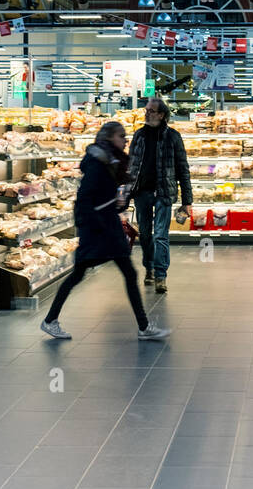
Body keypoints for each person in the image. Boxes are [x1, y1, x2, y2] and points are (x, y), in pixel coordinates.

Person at [40, 120, 169, 341]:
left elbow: (102, 192)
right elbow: (86, 197)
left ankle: (144, 326)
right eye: (121, 136)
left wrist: (115, 203)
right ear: (109, 138)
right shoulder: (97, 162)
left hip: (105, 224)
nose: (125, 140)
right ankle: (50, 320)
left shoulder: (109, 160)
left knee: (127, 273)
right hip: (97, 228)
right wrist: (97, 222)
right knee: (79, 274)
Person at [128, 97, 193, 294]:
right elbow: (131, 165)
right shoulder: (138, 135)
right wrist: (125, 190)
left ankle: (161, 275)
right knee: (146, 234)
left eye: (151, 111)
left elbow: (183, 169)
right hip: (141, 192)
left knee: (161, 235)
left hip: (164, 192)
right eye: (146, 110)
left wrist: (187, 201)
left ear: (162, 114)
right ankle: (149, 267)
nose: (146, 113)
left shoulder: (173, 136)